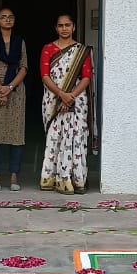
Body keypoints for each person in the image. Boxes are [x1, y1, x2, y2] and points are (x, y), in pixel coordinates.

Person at [39, 13, 93, 195]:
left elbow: (86, 77)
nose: (64, 28)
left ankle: (76, 178)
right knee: (56, 138)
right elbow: (45, 76)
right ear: (56, 28)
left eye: (67, 25)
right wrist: (61, 94)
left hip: (77, 102)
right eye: (60, 25)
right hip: (53, 99)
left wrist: (71, 96)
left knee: (75, 138)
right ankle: (55, 178)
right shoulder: (48, 49)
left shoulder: (81, 51)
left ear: (74, 27)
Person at [0, 7, 28, 192]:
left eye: (11, 17)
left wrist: (9, 88)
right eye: (3, 17)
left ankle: (13, 175)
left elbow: (24, 67)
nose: (7, 20)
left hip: (16, 90)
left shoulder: (20, 41)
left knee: (16, 134)